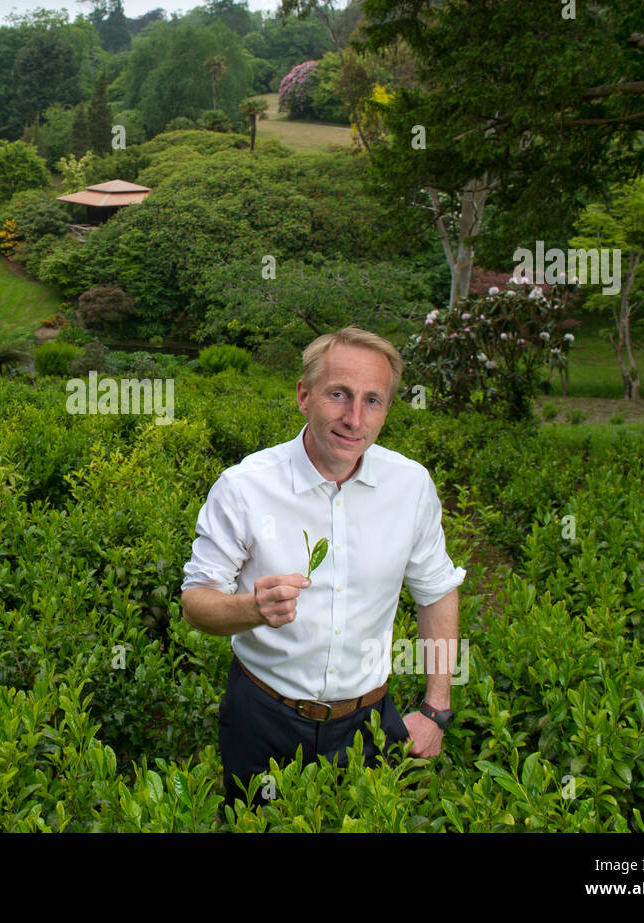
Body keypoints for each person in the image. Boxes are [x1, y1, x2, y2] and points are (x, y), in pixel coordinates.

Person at [180, 327, 466, 809]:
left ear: (387, 410)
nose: (354, 418)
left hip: (368, 724)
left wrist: (436, 709)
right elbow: (195, 603)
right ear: (303, 395)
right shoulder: (244, 487)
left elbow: (435, 591)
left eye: (372, 401)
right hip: (262, 717)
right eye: (339, 395)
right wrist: (253, 608)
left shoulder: (410, 486)